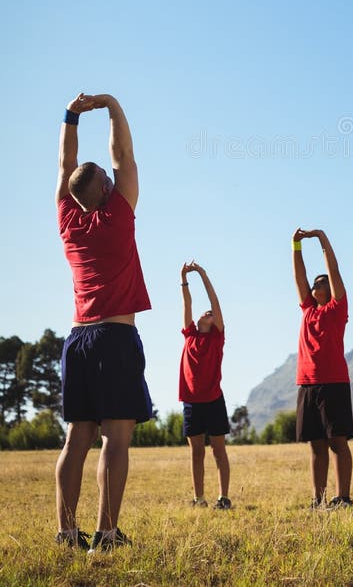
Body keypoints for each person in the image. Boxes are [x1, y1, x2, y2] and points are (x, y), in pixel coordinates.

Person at [55, 93, 153, 552]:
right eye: (107, 183)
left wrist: (71, 116)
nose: (115, 184)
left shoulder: (68, 222)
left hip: (77, 339)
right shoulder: (116, 215)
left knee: (77, 439)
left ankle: (67, 533)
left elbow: (65, 164)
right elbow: (124, 156)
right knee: (116, 440)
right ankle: (107, 535)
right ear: (105, 191)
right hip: (115, 336)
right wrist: (111, 105)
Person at [292, 228, 353, 509]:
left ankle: (343, 497)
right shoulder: (307, 309)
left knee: (337, 443)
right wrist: (296, 246)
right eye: (315, 283)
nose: (316, 285)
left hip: (333, 383)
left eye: (322, 283)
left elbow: (335, 270)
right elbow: (298, 276)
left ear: (331, 290)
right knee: (316, 445)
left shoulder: (337, 309)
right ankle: (317, 499)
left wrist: (321, 238)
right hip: (307, 383)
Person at [179, 260, 231, 510]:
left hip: (213, 400)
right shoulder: (190, 333)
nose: (208, 313)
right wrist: (184, 278)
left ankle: (223, 498)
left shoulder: (216, 338)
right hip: (191, 401)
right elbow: (187, 303)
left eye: (211, 314)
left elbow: (216, 302)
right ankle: (199, 498)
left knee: (218, 451)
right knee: (196, 452)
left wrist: (202, 274)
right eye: (206, 312)